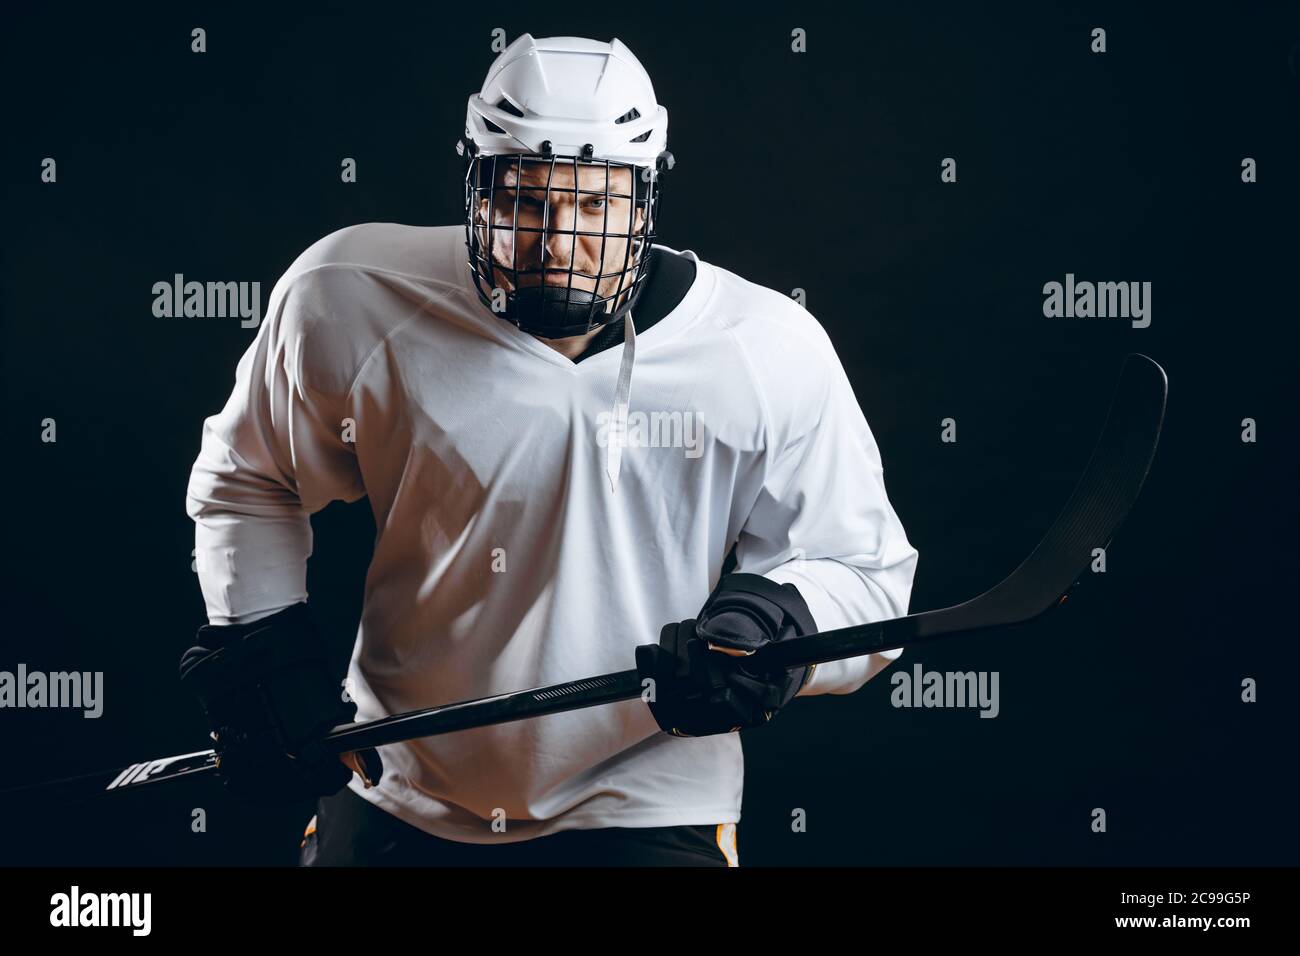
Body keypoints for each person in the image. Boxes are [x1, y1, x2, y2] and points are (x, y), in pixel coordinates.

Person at [179, 33, 918, 867]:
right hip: (397, 788)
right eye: (527, 201)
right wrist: (262, 645)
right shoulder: (348, 297)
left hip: (648, 805)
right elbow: (250, 481)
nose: (559, 240)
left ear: (646, 196)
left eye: (595, 205)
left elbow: (865, 573)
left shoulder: (764, 348)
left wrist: (776, 629)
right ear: (476, 185)